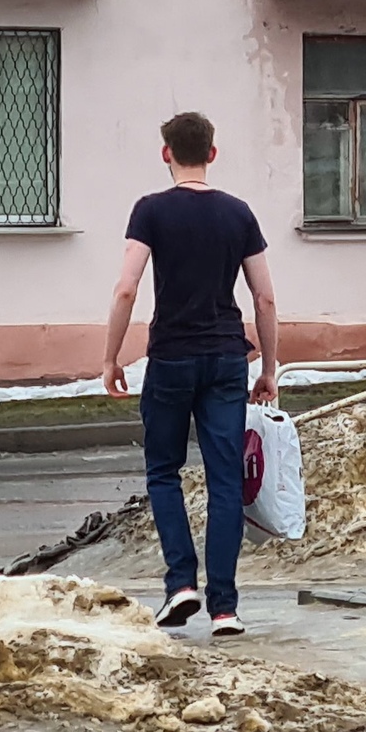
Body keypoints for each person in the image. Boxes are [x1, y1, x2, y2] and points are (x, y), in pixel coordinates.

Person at [101, 111, 278, 636]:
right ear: (213, 154)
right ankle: (225, 608)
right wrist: (269, 367)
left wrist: (110, 358)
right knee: (225, 481)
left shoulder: (151, 211)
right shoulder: (238, 214)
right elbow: (264, 296)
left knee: (163, 472)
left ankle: (181, 584)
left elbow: (127, 289)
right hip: (226, 358)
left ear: (166, 154)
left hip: (173, 357)